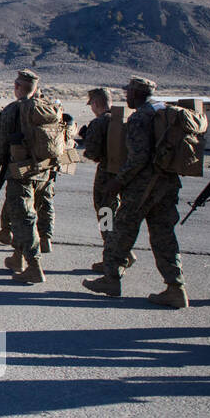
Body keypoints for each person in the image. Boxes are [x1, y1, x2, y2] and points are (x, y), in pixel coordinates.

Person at [82, 76, 188, 306]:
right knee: (163, 235)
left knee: (118, 229)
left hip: (141, 186)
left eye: (129, 92)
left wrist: (118, 182)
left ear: (137, 94)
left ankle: (111, 278)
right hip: (166, 184)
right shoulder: (161, 111)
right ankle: (176, 286)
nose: (126, 96)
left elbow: (138, 157)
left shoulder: (140, 117)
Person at [0, 69, 55, 285]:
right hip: (44, 171)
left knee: (24, 219)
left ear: (17, 87)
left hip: (21, 173)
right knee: (22, 216)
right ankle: (18, 258)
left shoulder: (14, 109)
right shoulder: (47, 107)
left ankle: (34, 266)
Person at [79, 88, 132, 272]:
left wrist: (86, 139)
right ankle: (122, 252)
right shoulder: (123, 119)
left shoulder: (99, 122)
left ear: (95, 103)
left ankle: (112, 257)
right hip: (124, 174)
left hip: (106, 177)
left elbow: (92, 153)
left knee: (105, 215)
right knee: (113, 214)